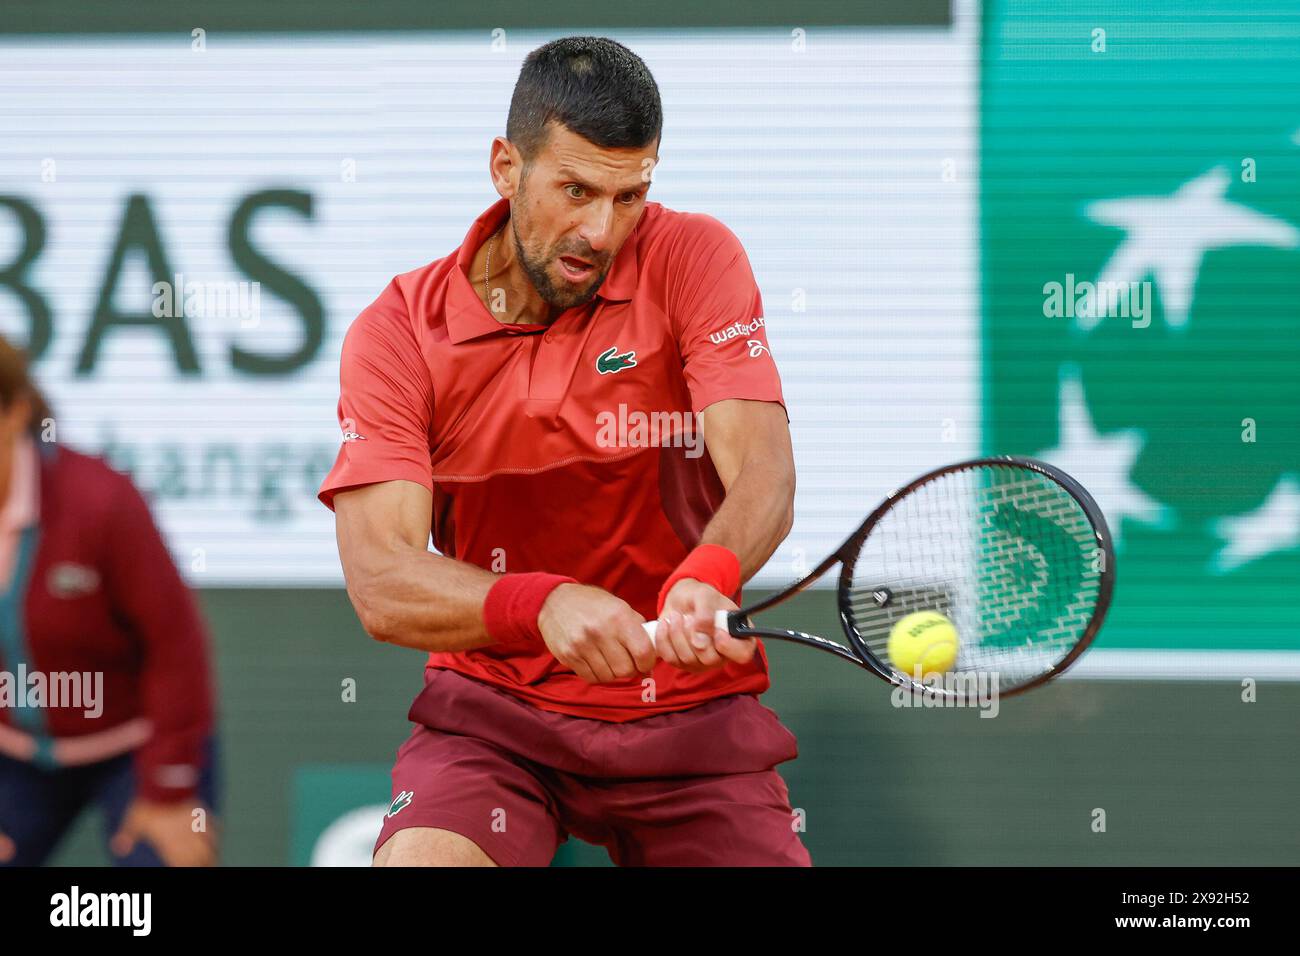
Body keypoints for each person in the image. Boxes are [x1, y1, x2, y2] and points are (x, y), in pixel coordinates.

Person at [320, 35, 808, 866]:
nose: (600, 229)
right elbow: (382, 580)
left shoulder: (695, 255)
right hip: (495, 716)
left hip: (689, 720)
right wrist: (541, 605)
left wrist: (707, 573)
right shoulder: (400, 332)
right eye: (575, 190)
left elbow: (763, 468)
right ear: (506, 167)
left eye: (629, 196)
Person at [0, 338, 218, 867]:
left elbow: (177, 647)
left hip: (137, 744)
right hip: (13, 756)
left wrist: (169, 788)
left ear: (15, 414)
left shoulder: (100, 500)